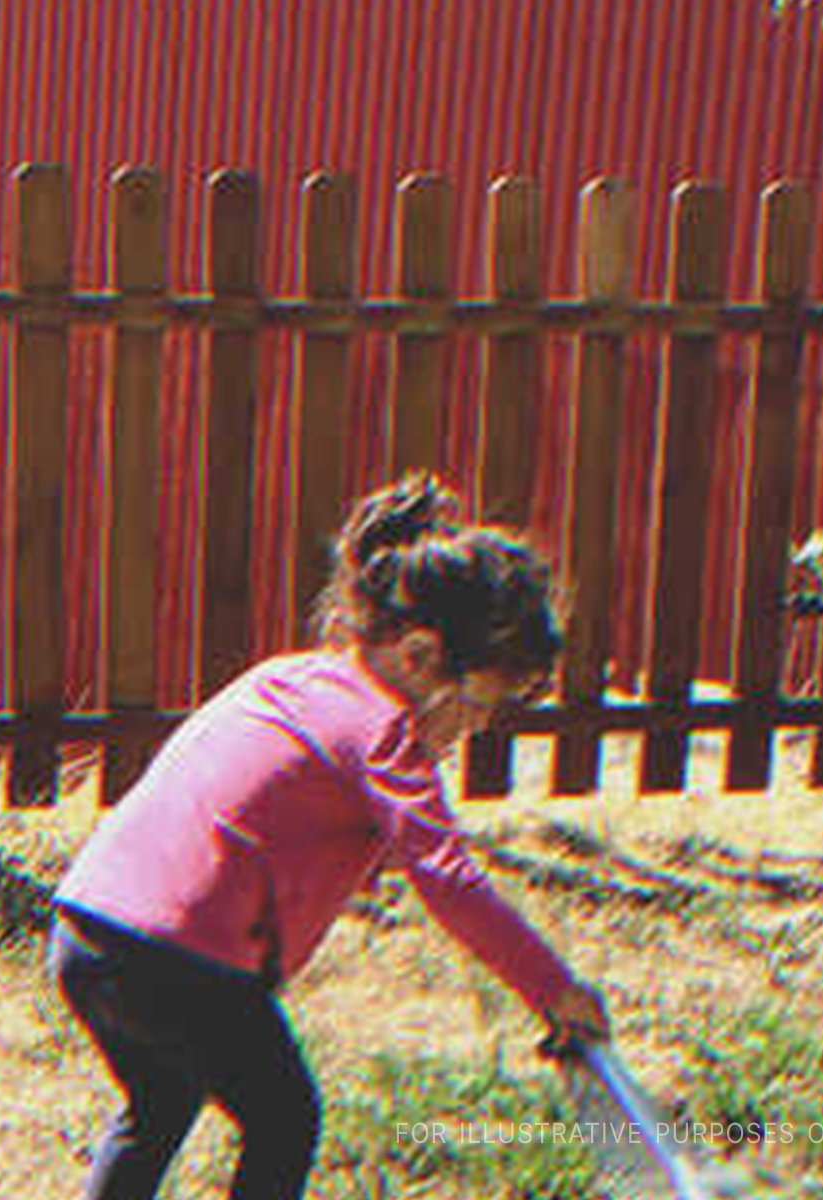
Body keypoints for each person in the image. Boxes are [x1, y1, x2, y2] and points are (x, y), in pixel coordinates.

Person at [47, 472, 612, 1199]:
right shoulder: (380, 732)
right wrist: (553, 989)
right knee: (285, 1118)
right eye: (475, 705)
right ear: (418, 658)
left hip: (86, 930)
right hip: (180, 960)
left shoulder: (291, 680)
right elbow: (449, 881)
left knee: (159, 1105)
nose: (471, 729)